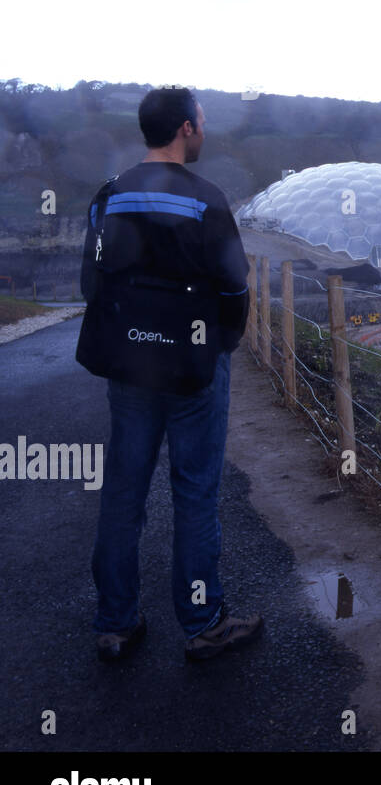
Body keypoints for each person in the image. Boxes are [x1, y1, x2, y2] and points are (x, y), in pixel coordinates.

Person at [75, 87, 263, 663]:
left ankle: (115, 624)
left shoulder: (110, 196)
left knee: (124, 492)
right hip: (193, 371)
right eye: (202, 122)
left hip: (130, 368)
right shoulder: (207, 200)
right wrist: (220, 346)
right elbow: (234, 289)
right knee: (195, 494)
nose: (204, 131)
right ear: (185, 128)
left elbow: (91, 283)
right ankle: (204, 623)